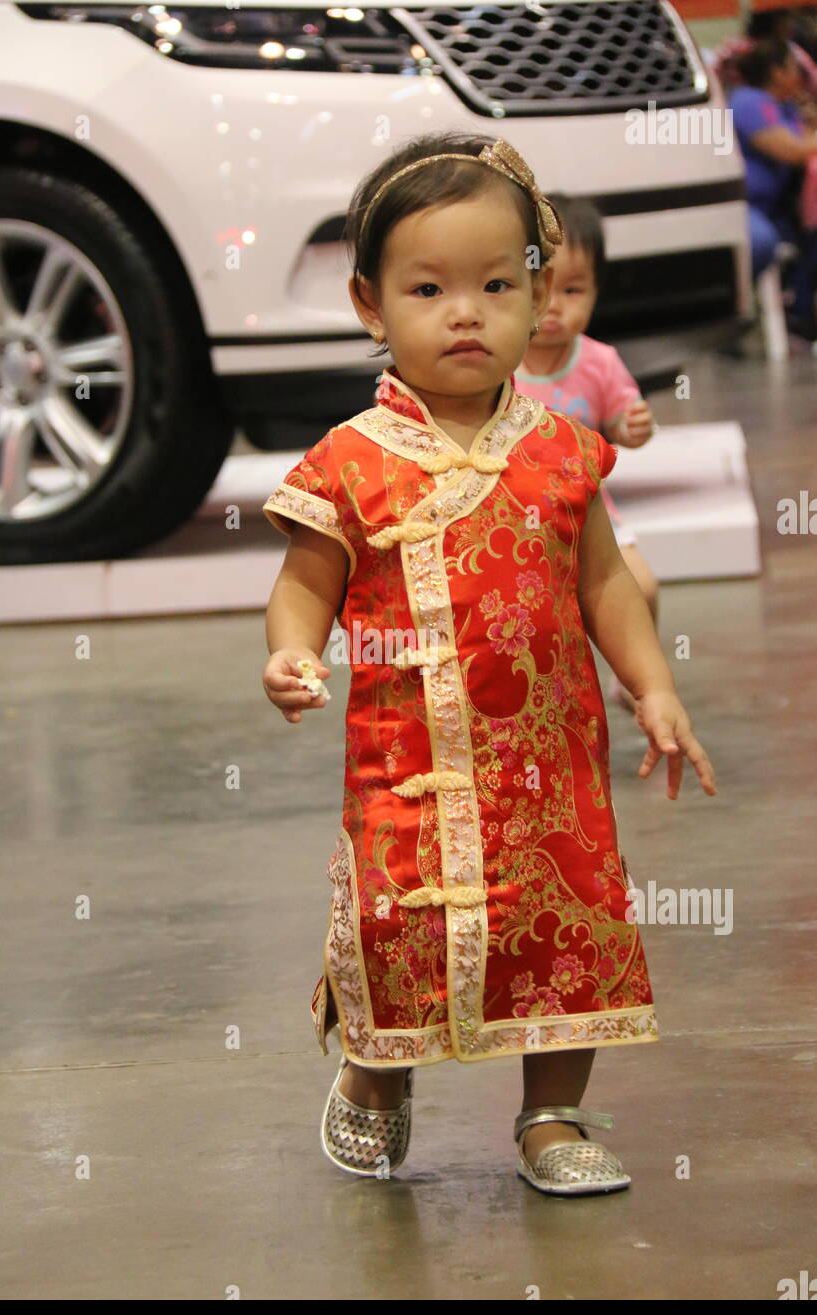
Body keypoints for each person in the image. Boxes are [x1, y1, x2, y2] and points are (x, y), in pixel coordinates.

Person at [261, 132, 717, 1197]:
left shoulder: (562, 450)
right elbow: (303, 584)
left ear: (540, 295)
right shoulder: (349, 460)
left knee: (569, 927)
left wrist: (653, 686)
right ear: (371, 305)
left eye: (497, 285)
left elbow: (605, 584)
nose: (465, 313)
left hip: (550, 770)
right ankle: (377, 1071)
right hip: (403, 767)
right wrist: (290, 650)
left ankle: (550, 1111)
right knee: (397, 924)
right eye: (428, 289)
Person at [513, 193, 658, 713]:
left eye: (573, 290)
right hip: (516, 518)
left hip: (590, 510)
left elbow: (621, 422)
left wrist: (632, 427)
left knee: (644, 588)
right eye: (541, 288)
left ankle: (635, 677)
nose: (555, 305)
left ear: (597, 291)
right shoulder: (498, 364)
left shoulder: (599, 362)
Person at [729, 38, 817, 340]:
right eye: (795, 68)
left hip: (776, 208)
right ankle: (737, 317)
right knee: (764, 241)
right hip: (747, 205)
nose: (801, 75)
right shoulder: (749, 101)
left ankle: (801, 311)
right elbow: (791, 150)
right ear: (777, 72)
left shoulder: (784, 105)